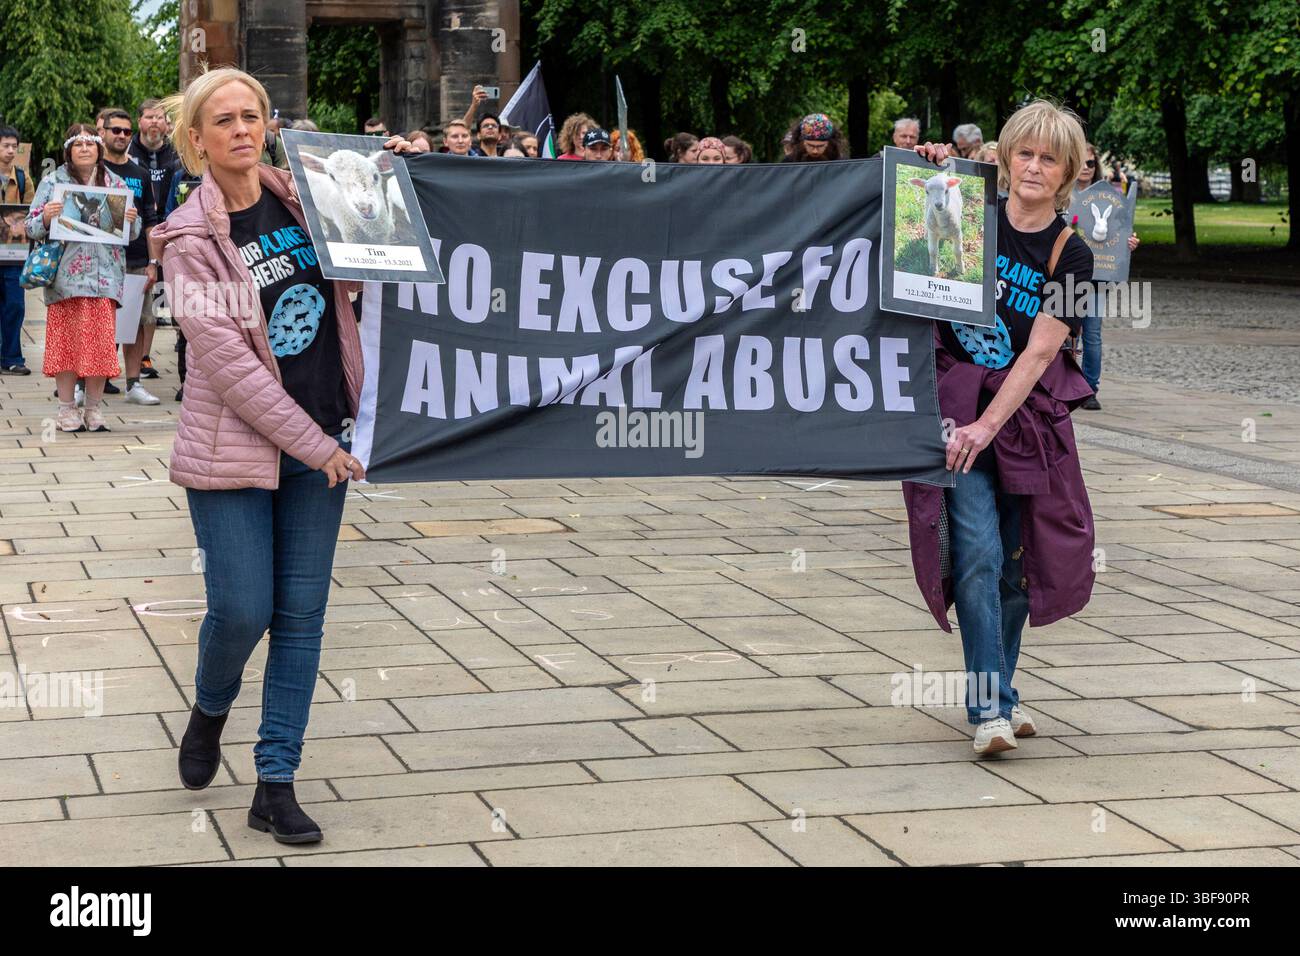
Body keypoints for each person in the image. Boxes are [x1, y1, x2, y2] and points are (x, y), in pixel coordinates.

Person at [150, 66, 417, 844]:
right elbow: (228, 368)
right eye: (223, 120)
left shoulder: (308, 196)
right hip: (235, 450)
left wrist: (384, 190)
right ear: (196, 139)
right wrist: (316, 446)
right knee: (242, 609)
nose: (241, 129)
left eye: (252, 116)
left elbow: (371, 274)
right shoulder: (192, 241)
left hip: (321, 437)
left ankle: (275, 782)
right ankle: (210, 707)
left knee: (301, 617)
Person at [902, 99, 1097, 757]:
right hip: (957, 409)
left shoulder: (1074, 257)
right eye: (1025, 154)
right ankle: (989, 710)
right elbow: (912, 239)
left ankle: (1002, 697)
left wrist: (990, 425)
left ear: (1067, 171)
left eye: (1050, 158)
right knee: (980, 552)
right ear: (1007, 158)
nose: (1035, 167)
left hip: (1021, 421)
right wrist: (926, 171)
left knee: (1017, 566)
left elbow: (1042, 351)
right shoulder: (965, 214)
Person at [25, 125, 141, 432]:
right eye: (79, 144)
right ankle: (66, 408)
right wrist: (46, 217)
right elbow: (30, 226)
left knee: (101, 345)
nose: (86, 148)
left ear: (99, 149)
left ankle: (93, 408)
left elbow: (134, 230)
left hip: (105, 278)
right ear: (69, 150)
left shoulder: (114, 183)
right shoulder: (52, 182)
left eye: (91, 144)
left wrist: (132, 219)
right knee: (66, 343)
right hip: (66, 279)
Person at [99, 108, 161, 405]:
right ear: (103, 133)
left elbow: (151, 219)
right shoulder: (92, 170)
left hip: (136, 260)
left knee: (135, 323)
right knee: (98, 322)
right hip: (99, 261)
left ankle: (133, 383)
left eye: (126, 131)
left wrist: (153, 262)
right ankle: (89, 382)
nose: (122, 136)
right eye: (116, 130)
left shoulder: (141, 174)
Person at [1071, 142, 1140, 411]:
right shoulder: (1060, 193)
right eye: (1081, 161)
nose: (1086, 167)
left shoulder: (1107, 195)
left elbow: (1121, 231)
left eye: (1090, 163)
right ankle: (1061, 384)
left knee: (1092, 331)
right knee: (1063, 333)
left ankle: (1089, 388)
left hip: (1098, 275)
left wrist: (1129, 242)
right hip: (1065, 273)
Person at [128, 98, 179, 356]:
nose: (154, 122)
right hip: (137, 232)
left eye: (159, 117)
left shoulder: (176, 153)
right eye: (149, 117)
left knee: (161, 299)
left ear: (166, 124)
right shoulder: (128, 151)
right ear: (140, 121)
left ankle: (145, 358)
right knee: (133, 300)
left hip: (169, 230)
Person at [0, 124, 34, 375]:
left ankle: (12, 357)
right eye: (5, 146)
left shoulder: (22, 178)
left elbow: (32, 212)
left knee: (15, 305)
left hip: (13, 254)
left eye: (14, 146)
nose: (10, 151)